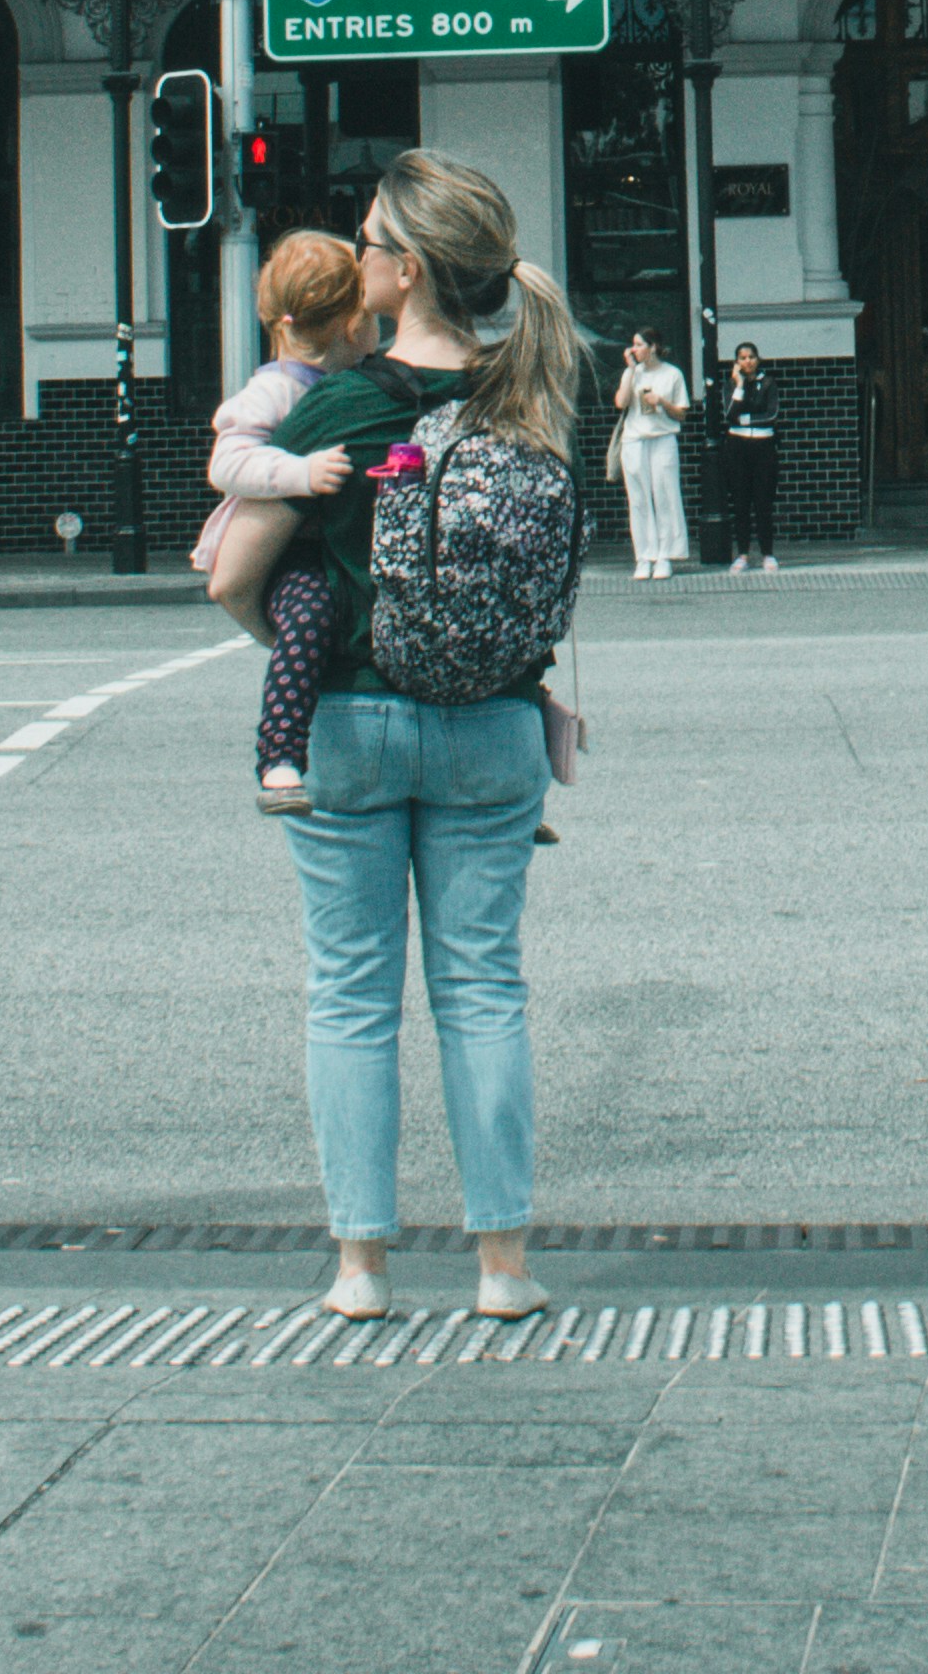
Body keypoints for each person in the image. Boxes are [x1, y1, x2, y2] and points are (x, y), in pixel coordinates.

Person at [208, 148, 581, 1324]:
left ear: (407, 269)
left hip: (352, 724)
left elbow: (233, 576)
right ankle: (502, 1267)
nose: (358, 254)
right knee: (483, 989)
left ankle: (361, 1269)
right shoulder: (526, 396)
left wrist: (306, 644)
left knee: (352, 994)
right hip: (496, 725)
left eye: (370, 241)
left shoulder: (343, 403)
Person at [193, 229, 371, 812]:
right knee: (310, 613)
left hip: (322, 542)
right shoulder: (275, 388)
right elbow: (228, 462)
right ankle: (280, 756)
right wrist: (300, 473)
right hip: (291, 552)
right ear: (352, 325)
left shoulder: (345, 383)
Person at [611, 329, 692, 578]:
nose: (634, 349)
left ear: (653, 347)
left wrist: (662, 402)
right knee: (638, 499)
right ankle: (644, 556)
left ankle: (664, 556)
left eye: (639, 344)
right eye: (633, 345)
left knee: (665, 495)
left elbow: (681, 413)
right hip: (634, 440)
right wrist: (631, 371)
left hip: (662, 438)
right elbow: (621, 403)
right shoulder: (632, 373)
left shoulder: (672, 374)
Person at [711, 342, 782, 567]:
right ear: (736, 362)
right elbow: (730, 414)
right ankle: (742, 554)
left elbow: (771, 414)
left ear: (758, 359)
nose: (747, 361)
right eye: (742, 357)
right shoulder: (731, 385)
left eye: (751, 357)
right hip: (737, 448)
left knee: (763, 502)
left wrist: (745, 419)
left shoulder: (769, 383)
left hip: (763, 447)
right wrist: (740, 386)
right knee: (740, 502)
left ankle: (767, 553)